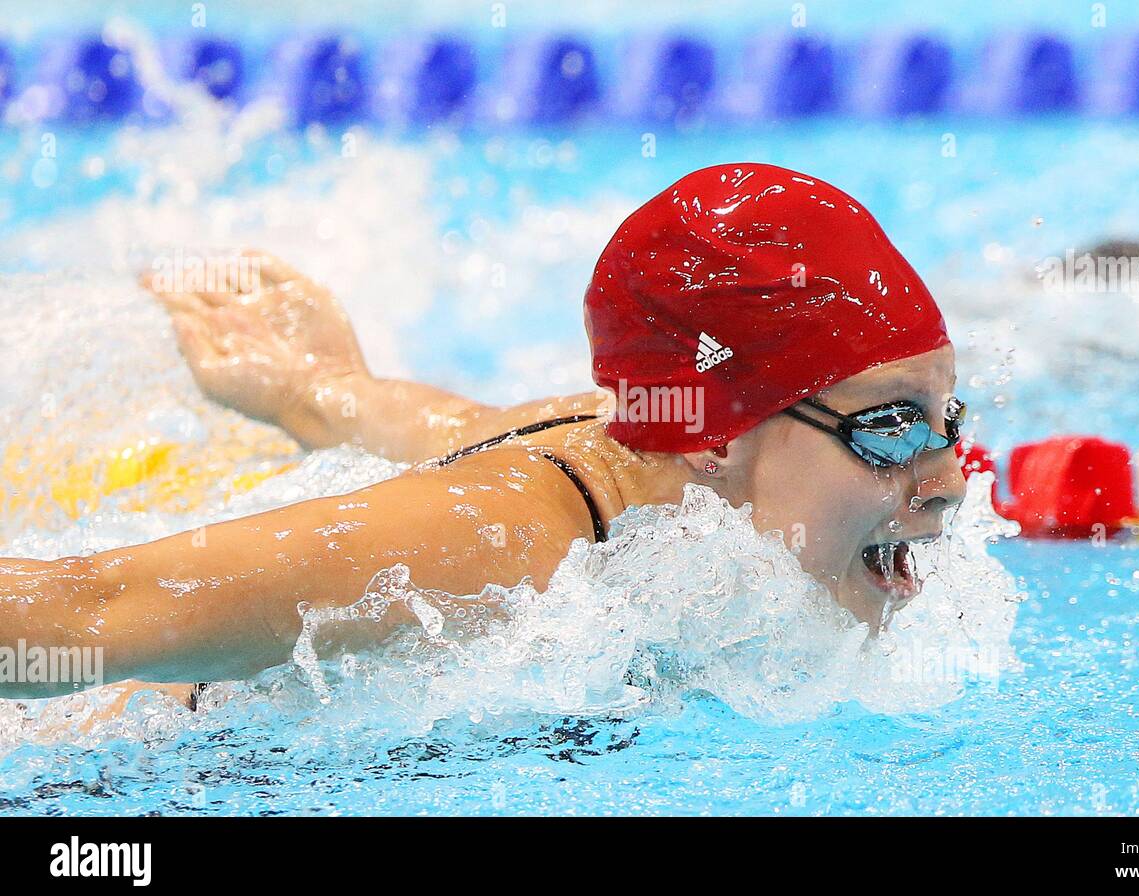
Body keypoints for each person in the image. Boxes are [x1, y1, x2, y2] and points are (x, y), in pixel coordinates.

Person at [0, 163, 966, 703]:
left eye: (944, 419)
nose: (950, 480)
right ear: (718, 439)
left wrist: (319, 387)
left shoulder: (646, 456)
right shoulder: (508, 544)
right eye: (889, 431)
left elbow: (465, 427)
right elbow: (84, 612)